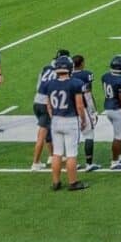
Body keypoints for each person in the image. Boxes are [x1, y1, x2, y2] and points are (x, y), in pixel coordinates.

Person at [39, 56, 87, 192]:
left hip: (55, 119)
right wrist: (83, 119)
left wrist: (53, 117)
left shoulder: (49, 84)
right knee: (71, 153)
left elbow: (48, 105)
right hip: (70, 120)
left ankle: (56, 182)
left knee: (57, 153)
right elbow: (79, 105)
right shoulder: (75, 83)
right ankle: (73, 182)